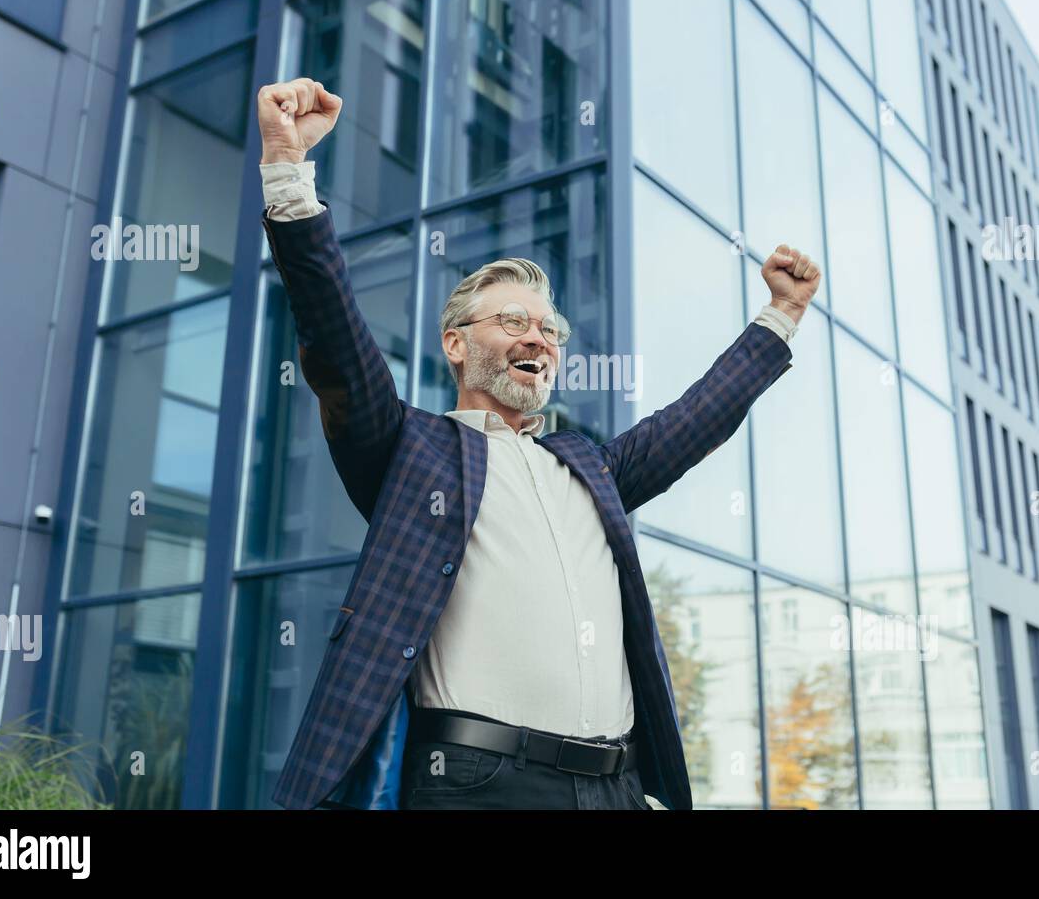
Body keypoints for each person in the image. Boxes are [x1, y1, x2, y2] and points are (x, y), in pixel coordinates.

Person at [257, 77, 822, 810]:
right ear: (455, 345)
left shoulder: (591, 467)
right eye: (514, 321)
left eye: (549, 330)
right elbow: (334, 335)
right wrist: (289, 174)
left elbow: (698, 417)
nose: (539, 338)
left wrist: (780, 314)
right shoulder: (408, 448)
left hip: (616, 787)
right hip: (481, 784)